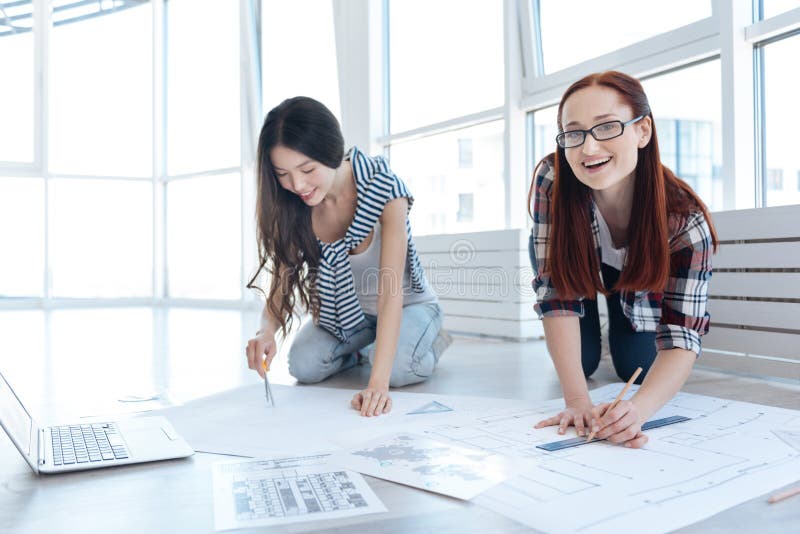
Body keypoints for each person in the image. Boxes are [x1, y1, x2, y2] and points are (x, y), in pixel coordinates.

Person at [528, 71, 718, 448]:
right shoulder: (553, 177)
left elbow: (682, 331)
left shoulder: (686, 220)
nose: (588, 148)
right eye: (574, 133)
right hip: (574, 268)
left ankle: (617, 314)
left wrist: (638, 411)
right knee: (579, 365)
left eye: (607, 127)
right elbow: (557, 293)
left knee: (638, 368)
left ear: (642, 131)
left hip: (636, 282)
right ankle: (595, 325)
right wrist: (577, 401)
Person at [244, 96, 451, 417]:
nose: (296, 184)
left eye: (307, 169)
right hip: (350, 317)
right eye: (282, 174)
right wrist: (265, 331)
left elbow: (390, 293)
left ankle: (432, 340)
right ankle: (364, 350)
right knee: (304, 365)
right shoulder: (295, 205)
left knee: (397, 372)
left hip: (408, 305)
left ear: (331, 152)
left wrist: (377, 384)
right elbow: (281, 281)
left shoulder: (386, 189)